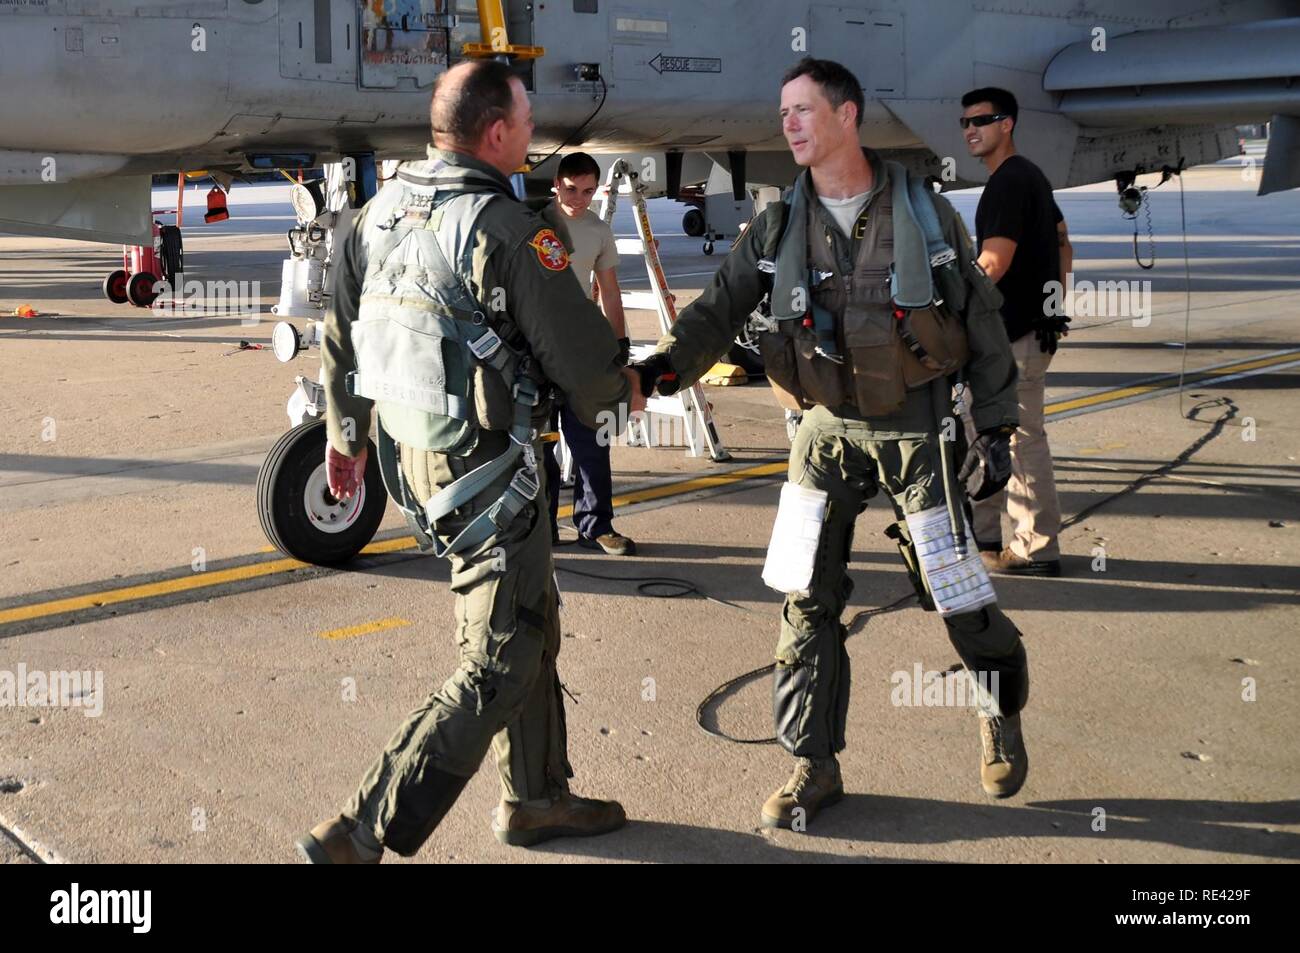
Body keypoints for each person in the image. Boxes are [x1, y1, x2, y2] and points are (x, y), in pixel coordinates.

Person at [631, 58, 1032, 829]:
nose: (788, 123)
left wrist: (999, 423)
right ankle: (812, 763)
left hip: (916, 428)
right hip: (819, 436)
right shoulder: (778, 224)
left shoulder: (924, 215)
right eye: (783, 110)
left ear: (847, 115)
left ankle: (1000, 704)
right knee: (803, 597)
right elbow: (718, 309)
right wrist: (664, 368)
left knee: (953, 590)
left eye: (803, 109)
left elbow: (982, 322)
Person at [297, 59, 644, 863]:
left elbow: (340, 339)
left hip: (414, 461)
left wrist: (343, 441)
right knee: (500, 654)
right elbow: (590, 375)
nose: (533, 131)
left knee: (531, 621)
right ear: (497, 133)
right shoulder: (514, 232)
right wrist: (634, 380)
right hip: (493, 474)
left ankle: (537, 798)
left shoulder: (375, 215)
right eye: (526, 119)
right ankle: (360, 825)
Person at [961, 87, 1072, 577]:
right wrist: (1051, 303)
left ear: (1007, 124)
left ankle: (1035, 548)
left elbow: (994, 262)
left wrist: (952, 308)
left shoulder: (1007, 183)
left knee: (1019, 441)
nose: (970, 129)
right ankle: (984, 536)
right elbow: (1065, 243)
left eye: (981, 121)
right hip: (1027, 331)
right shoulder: (1031, 176)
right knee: (981, 433)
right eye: (965, 122)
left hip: (1011, 337)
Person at [540, 151, 636, 556]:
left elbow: (609, 291)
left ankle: (596, 526)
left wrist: (619, 347)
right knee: (538, 444)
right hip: (538, 347)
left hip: (581, 350)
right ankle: (540, 528)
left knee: (592, 439)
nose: (579, 198)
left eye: (588, 191)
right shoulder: (536, 223)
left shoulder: (598, 231)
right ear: (556, 184)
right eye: (571, 189)